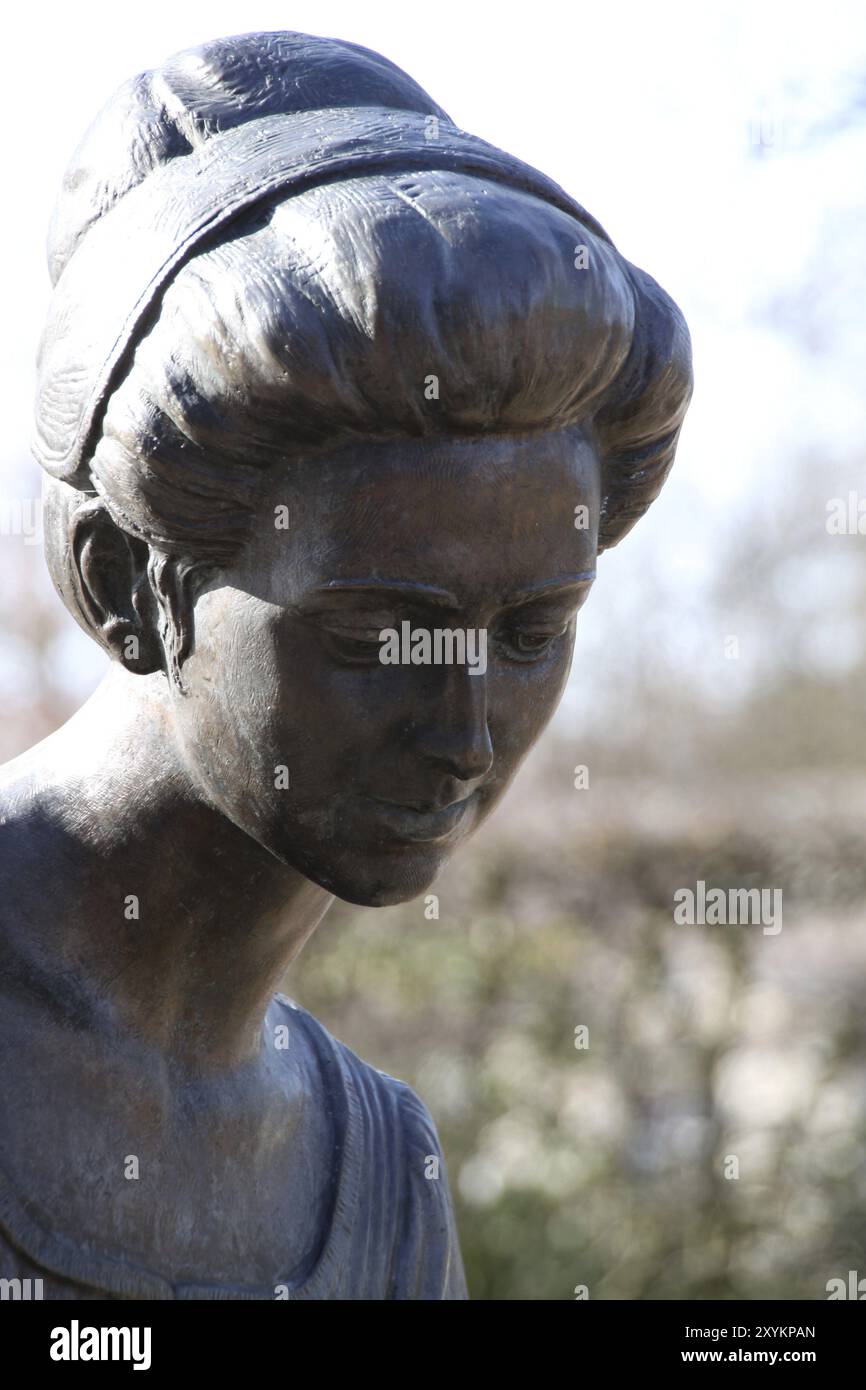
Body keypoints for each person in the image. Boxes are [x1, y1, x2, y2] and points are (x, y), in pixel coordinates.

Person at [0, 29, 692, 1298]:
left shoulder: (381, 1172)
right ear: (122, 583)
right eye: (378, 635)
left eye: (533, 632)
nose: (465, 735)